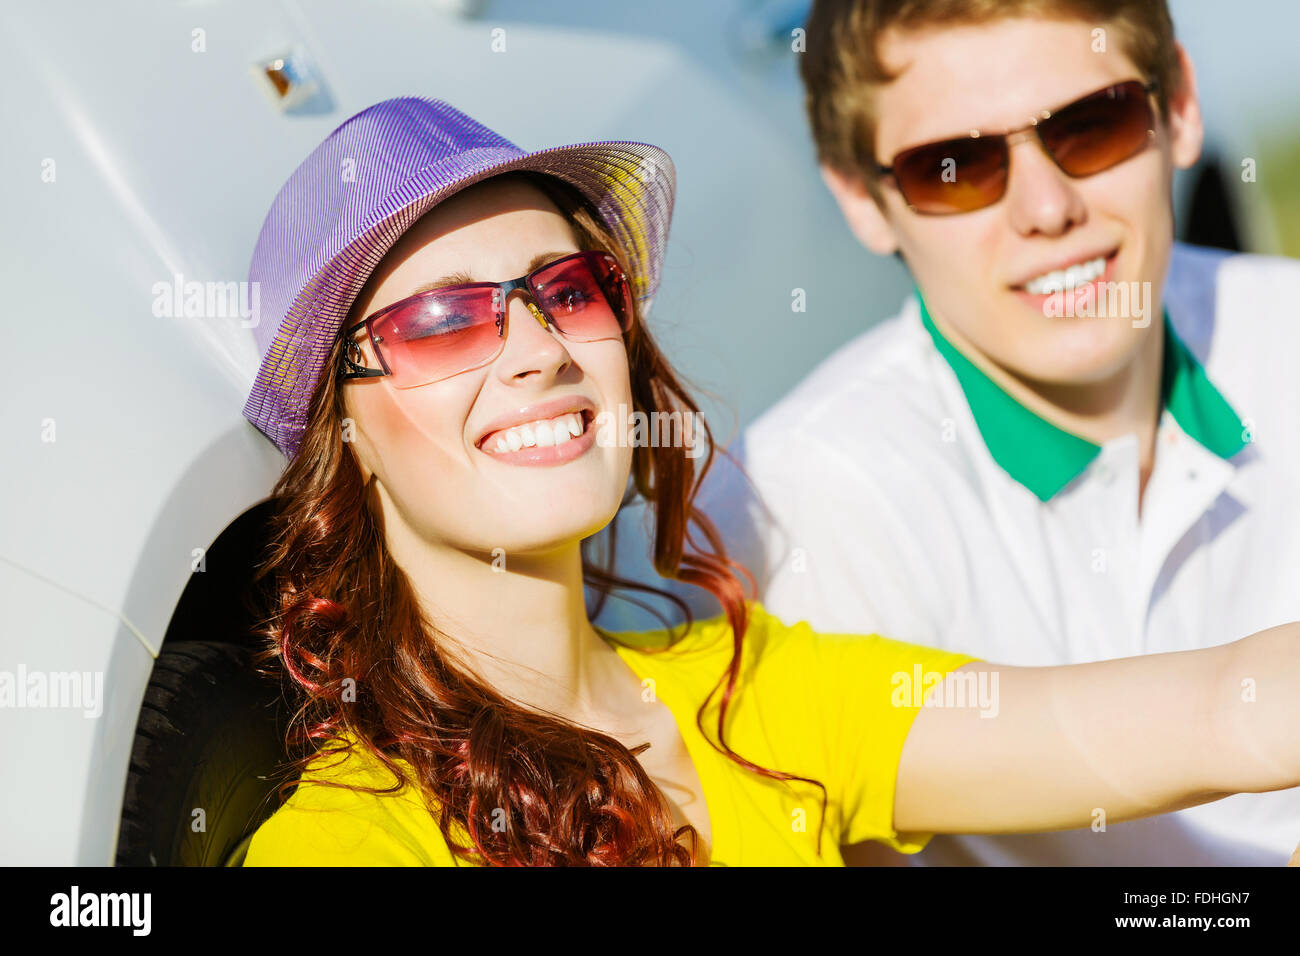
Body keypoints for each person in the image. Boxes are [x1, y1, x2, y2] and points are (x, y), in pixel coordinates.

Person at [238, 96, 1300, 867]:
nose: (537, 346)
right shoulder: (345, 844)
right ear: (348, 435)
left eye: (567, 288)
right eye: (442, 321)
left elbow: (1222, 714)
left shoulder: (756, 697)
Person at [667, 0, 1300, 865]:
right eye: (954, 167)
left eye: (1093, 124)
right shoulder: (800, 517)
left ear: (1179, 106)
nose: (1046, 209)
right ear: (863, 200)